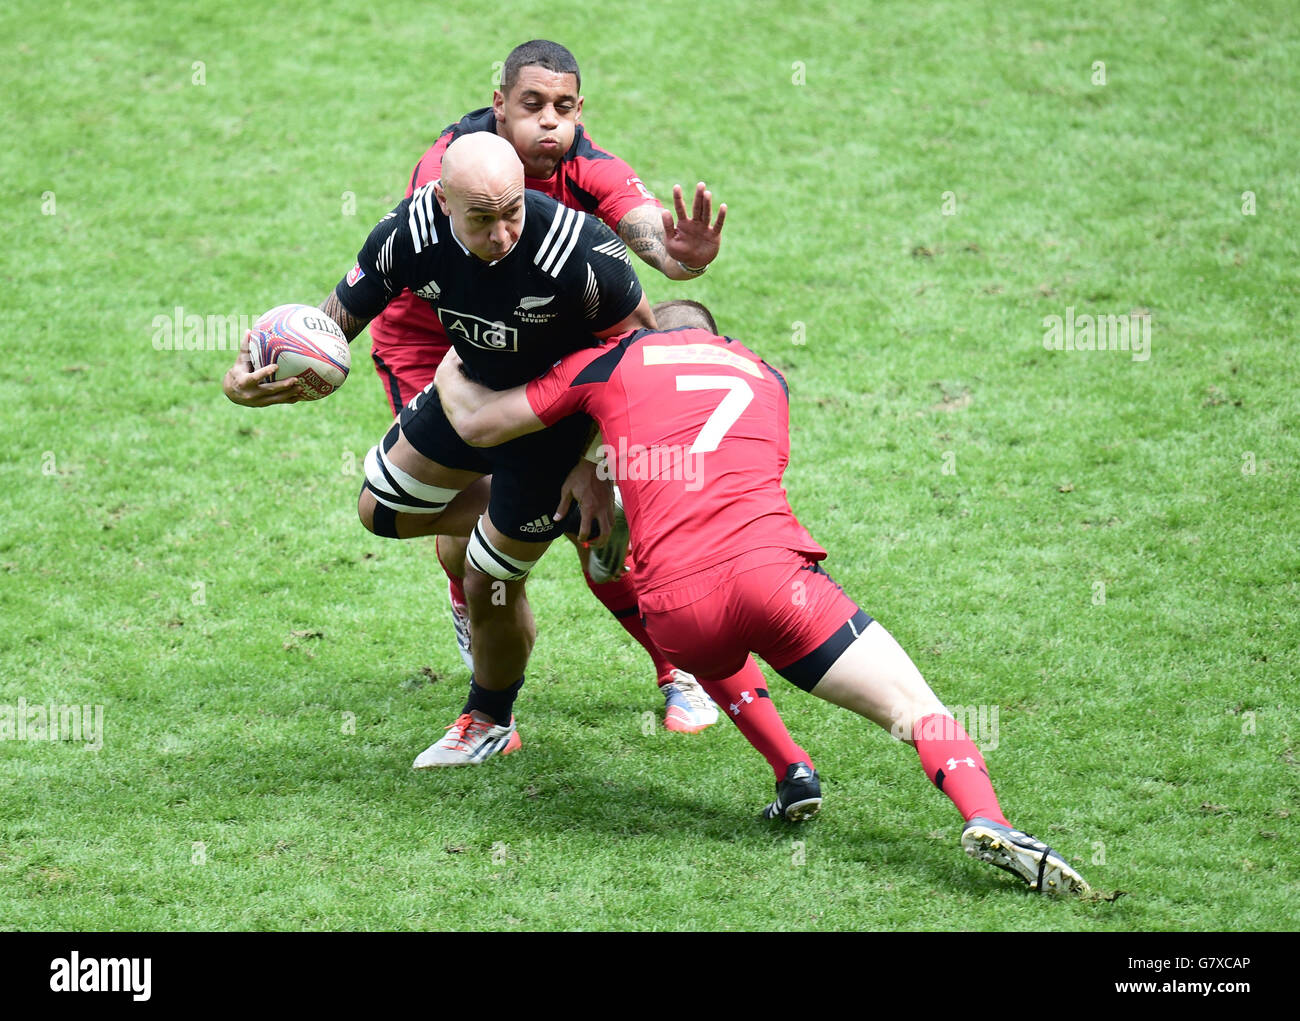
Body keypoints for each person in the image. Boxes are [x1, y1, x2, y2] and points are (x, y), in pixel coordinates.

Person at [430, 299, 1093, 896]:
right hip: (776, 581)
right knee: (914, 708)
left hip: (678, 612)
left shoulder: (617, 359)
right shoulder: (766, 376)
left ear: (646, 329)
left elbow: (484, 423)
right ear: (722, 338)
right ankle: (990, 818)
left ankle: (791, 769)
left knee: (693, 625)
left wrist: (455, 358)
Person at [229, 39, 727, 737]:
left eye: (564, 109)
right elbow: (378, 286)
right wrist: (268, 364)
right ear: (499, 106)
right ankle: (489, 663)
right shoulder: (449, 181)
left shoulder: (584, 171)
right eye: (531, 106)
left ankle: (679, 670)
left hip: (550, 330)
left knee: (597, 517)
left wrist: (669, 254)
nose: (549, 124)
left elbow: (641, 233)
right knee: (461, 540)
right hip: (438, 339)